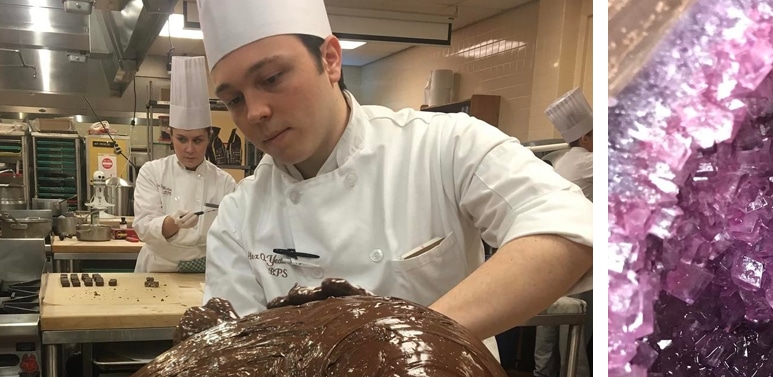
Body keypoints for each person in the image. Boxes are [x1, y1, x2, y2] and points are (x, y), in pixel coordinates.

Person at [195, 0, 593, 358]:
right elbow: (239, 359)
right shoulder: (238, 216)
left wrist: (402, 344)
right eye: (234, 100)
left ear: (330, 59)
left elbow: (570, 229)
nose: (255, 112)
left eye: (271, 78)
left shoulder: (444, 144)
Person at [132, 56, 236, 273]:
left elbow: (231, 233)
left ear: (209, 138)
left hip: (204, 269)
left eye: (198, 140)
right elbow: (143, 227)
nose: (190, 149)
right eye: (182, 139)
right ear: (171, 136)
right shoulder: (152, 172)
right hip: (157, 268)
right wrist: (172, 223)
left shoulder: (224, 182)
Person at [532, 89, 593, 377]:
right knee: (576, 320)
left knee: (551, 315)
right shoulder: (587, 162)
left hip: (551, 246)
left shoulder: (560, 160)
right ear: (584, 139)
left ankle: (543, 375)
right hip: (578, 248)